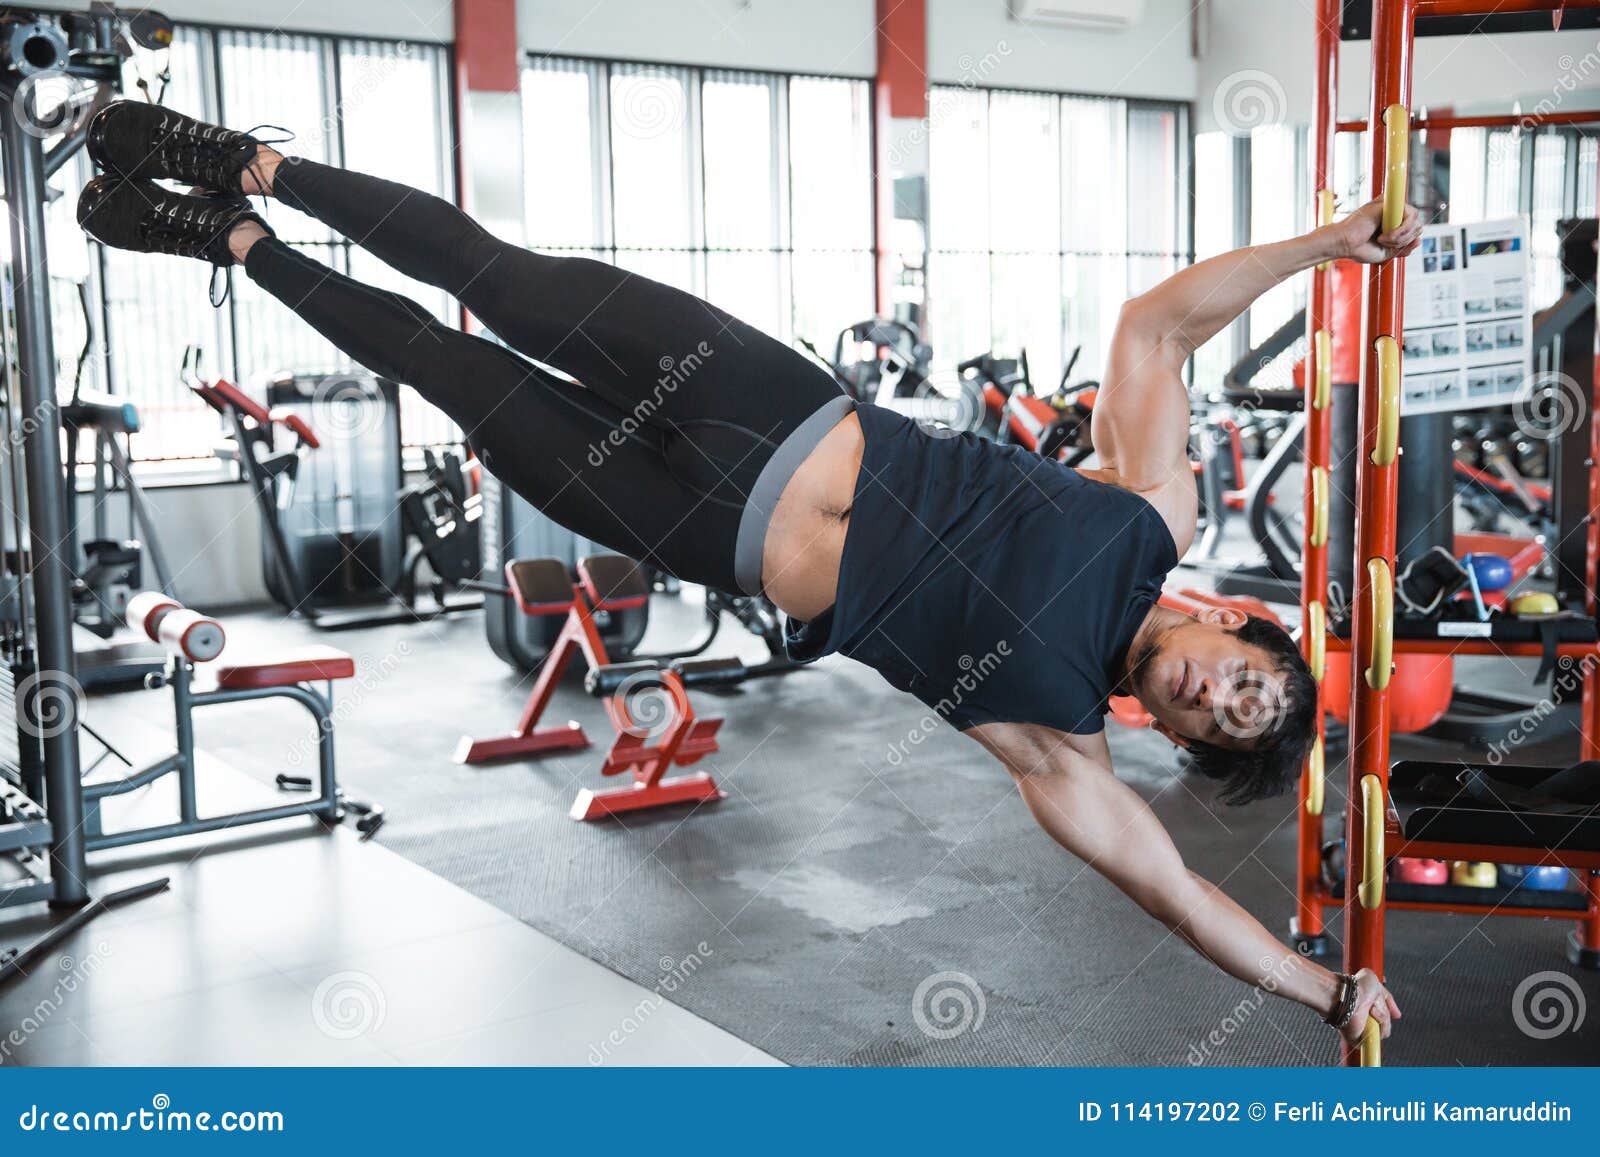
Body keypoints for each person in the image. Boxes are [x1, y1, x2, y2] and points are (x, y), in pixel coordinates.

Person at [77, 101, 1415, 1048]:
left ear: (1177, 737)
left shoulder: (1060, 745)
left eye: (1221, 727)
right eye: (1245, 684)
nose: (1216, 702)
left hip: (697, 527)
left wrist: (1325, 989)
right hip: (757, 394)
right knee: (495, 272)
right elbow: (1156, 327)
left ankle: (231, 243)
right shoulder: (1147, 517)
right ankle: (247, 164)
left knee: (446, 369)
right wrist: (1326, 245)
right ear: (1237, 626)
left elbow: (1179, 897)